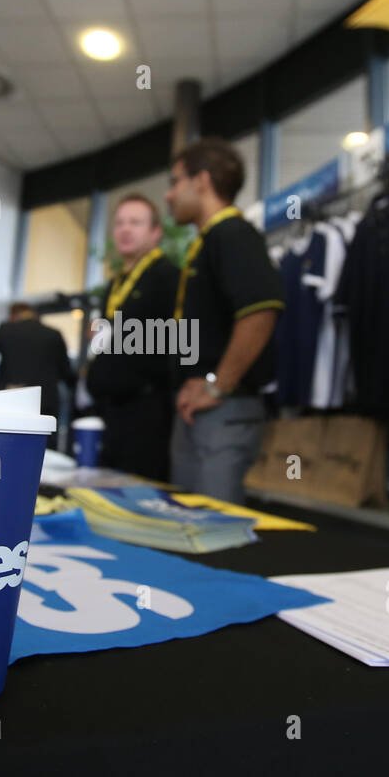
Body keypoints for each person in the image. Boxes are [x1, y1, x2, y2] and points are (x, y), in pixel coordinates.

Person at [165, 137, 284, 503]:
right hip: (204, 412)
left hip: (224, 411)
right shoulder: (210, 241)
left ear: (201, 181)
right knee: (188, 525)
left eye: (176, 181)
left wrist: (217, 385)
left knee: (215, 533)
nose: (169, 195)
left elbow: (260, 311)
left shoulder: (233, 234)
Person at [85, 194, 180, 481]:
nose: (125, 229)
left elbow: (180, 343)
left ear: (155, 232)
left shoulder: (168, 276)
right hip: (112, 412)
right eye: (120, 223)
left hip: (149, 414)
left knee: (140, 495)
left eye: (136, 223)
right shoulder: (115, 283)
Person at [0, 303, 75, 449]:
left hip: (13, 396)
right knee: (45, 449)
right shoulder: (53, 334)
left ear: (13, 315)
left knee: (8, 445)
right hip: (46, 399)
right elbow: (66, 371)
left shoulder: (6, 329)